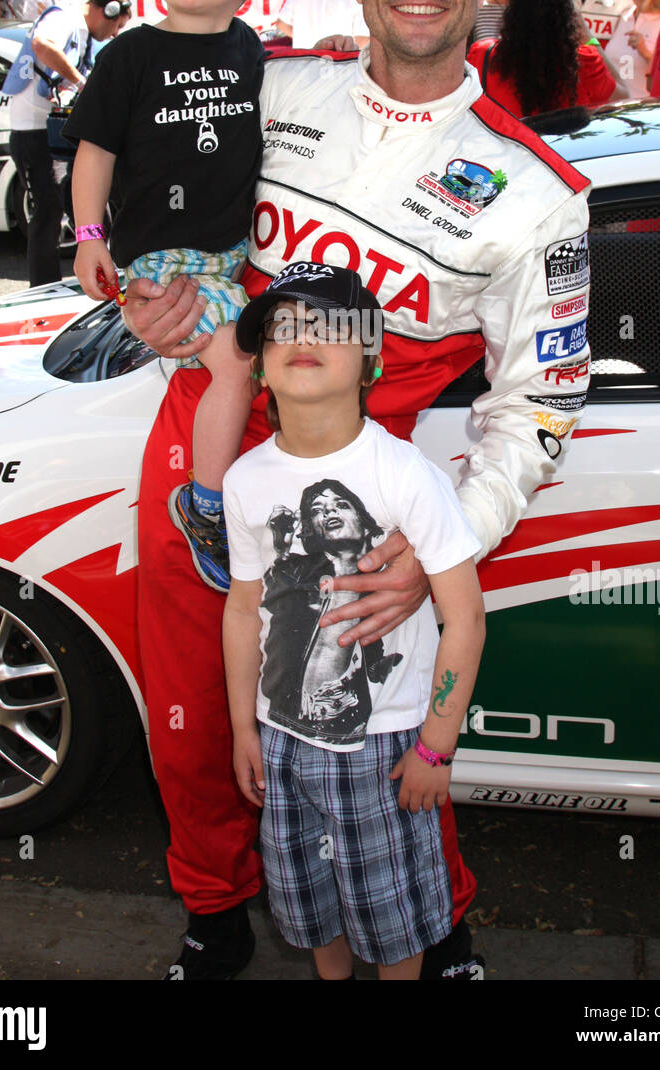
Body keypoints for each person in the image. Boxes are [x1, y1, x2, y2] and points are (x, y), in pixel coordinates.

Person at [124, 0, 591, 982]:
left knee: (378, 736)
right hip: (200, 440)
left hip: (358, 497)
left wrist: (444, 545)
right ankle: (213, 910)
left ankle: (435, 932)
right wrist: (143, 296)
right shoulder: (271, 86)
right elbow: (148, 206)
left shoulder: (536, 191)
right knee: (192, 713)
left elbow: (542, 400)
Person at [223, 264, 485, 981]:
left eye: (327, 324)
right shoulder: (246, 481)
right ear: (261, 369)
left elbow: (464, 618)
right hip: (279, 741)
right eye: (282, 326)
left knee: (390, 917)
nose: (301, 337)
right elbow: (244, 608)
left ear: (370, 361)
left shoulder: (405, 475)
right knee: (309, 906)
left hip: (383, 749)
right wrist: (244, 728)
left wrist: (436, 744)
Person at [65, 0, 268, 592]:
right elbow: (94, 152)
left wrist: (336, 46)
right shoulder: (127, 58)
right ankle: (205, 504)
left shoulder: (257, 54)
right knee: (239, 360)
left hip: (231, 262)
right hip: (158, 264)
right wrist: (90, 236)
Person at [5, 0, 131, 288]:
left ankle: (102, 278)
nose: (114, 35)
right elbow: (41, 44)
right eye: (117, 25)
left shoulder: (82, 34)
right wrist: (79, 83)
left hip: (54, 134)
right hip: (34, 132)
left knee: (86, 209)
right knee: (48, 214)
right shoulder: (66, 18)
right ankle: (43, 290)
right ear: (108, 10)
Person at [468, 0, 626, 115]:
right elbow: (623, 96)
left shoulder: (484, 55)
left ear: (514, 5)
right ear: (567, 11)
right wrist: (588, 36)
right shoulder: (584, 61)